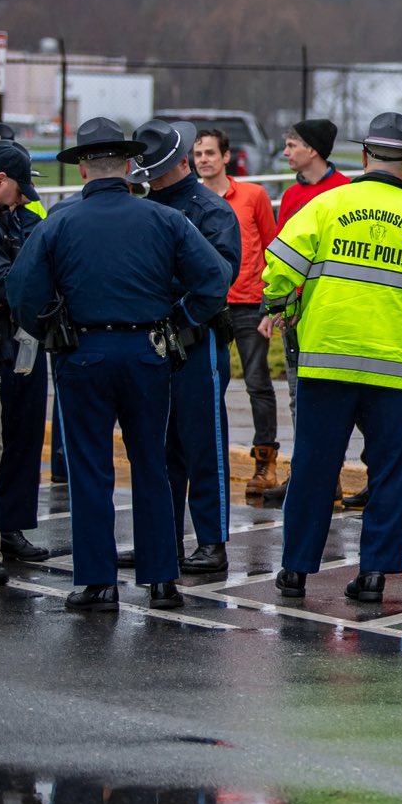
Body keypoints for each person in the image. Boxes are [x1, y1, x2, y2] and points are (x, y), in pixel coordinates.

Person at [9, 118, 233, 612]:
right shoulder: (165, 219)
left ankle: (97, 582)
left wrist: (51, 329)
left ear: (84, 166)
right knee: (151, 463)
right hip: (148, 351)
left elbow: (21, 293)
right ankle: (161, 580)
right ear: (130, 165)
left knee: (91, 468)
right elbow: (215, 279)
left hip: (83, 353)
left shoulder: (59, 221)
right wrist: (181, 320)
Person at [262, 112, 402, 603]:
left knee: (315, 467)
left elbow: (280, 263)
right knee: (392, 474)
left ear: (364, 157)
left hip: (327, 359)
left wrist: (281, 306)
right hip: (396, 370)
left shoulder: (328, 204)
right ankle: (374, 575)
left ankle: (296, 570)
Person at [130, 119, 242, 577]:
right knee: (156, 448)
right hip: (151, 339)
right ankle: (163, 540)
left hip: (197, 339)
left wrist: (179, 316)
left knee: (203, 444)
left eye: (157, 171)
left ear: (180, 163)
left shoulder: (210, 210)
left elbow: (221, 277)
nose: (151, 180)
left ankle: (212, 543)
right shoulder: (144, 208)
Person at [195, 127, 283, 500]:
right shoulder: (193, 199)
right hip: (207, 306)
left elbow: (271, 246)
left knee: (257, 383)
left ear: (226, 157)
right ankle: (208, 456)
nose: (203, 160)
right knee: (206, 385)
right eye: (198, 154)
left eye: (210, 153)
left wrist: (271, 305)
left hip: (249, 304)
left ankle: (266, 462)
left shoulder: (252, 195)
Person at [0, 142, 48, 571]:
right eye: (20, 187)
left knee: (24, 435)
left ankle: (11, 527)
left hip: (25, 340)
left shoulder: (27, 216)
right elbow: (4, 283)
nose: (27, 196)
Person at [275, 118, 346, 231]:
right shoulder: (290, 194)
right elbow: (280, 242)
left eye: (292, 146)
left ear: (312, 151)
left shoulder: (345, 189)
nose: (285, 152)